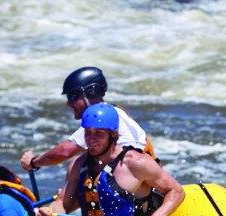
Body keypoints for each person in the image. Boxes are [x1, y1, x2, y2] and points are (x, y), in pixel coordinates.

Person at [36, 103, 185, 216]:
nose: (91, 139)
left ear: (113, 135)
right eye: (88, 133)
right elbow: (64, 203)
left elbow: (176, 191)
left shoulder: (135, 163)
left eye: (98, 134)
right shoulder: (78, 165)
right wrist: (49, 212)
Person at [19, 66, 154, 174]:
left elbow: (64, 152)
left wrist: (33, 162)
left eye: (72, 97)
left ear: (91, 93)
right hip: (130, 175)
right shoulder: (117, 111)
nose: (68, 103)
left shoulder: (100, 119)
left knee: (78, 164)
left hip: (132, 179)